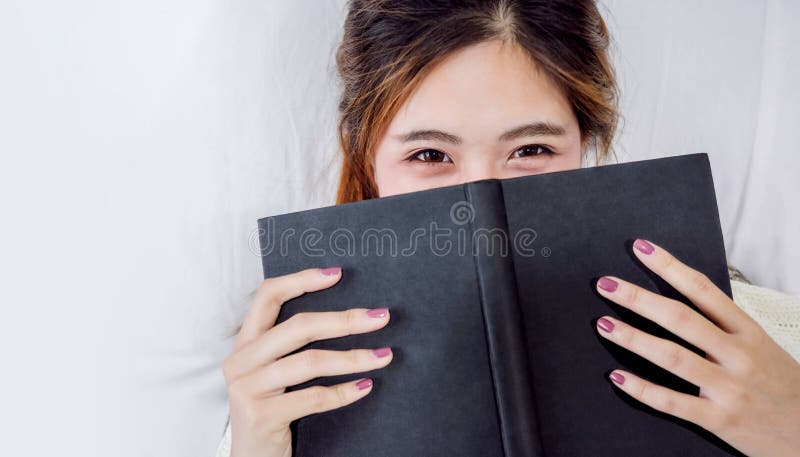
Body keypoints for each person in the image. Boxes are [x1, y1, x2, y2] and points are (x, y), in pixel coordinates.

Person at [216, 1, 800, 456]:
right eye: (428, 156)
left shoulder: (770, 352)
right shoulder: (290, 376)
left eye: (531, 149)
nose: (481, 203)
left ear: (587, 146)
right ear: (368, 156)